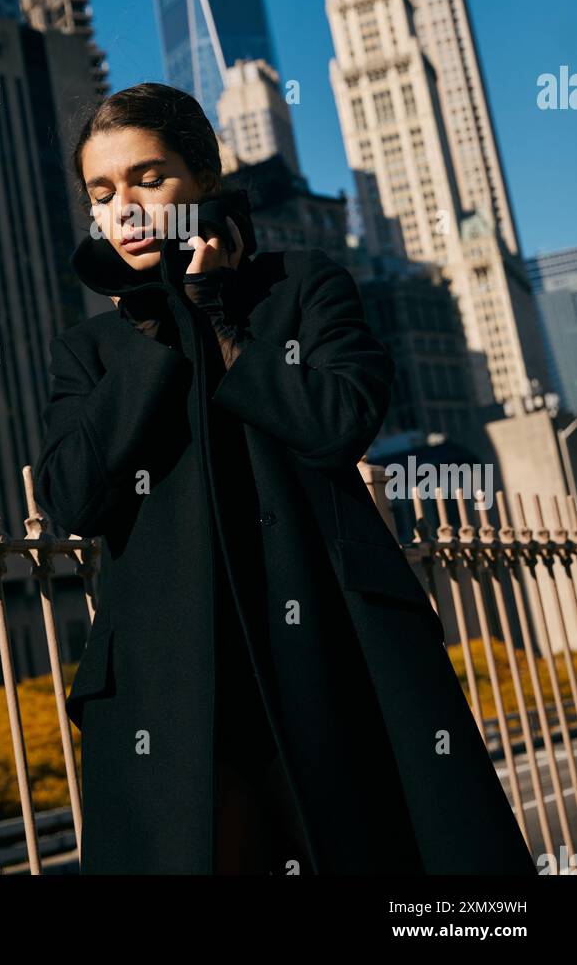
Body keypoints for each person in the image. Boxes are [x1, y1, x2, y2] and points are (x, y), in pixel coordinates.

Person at [34, 82, 537, 877]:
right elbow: (72, 497)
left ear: (203, 178)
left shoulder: (302, 287)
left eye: (148, 179)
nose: (123, 208)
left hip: (333, 658)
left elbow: (338, 422)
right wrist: (161, 326)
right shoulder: (92, 351)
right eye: (101, 193)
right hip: (171, 692)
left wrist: (218, 319)